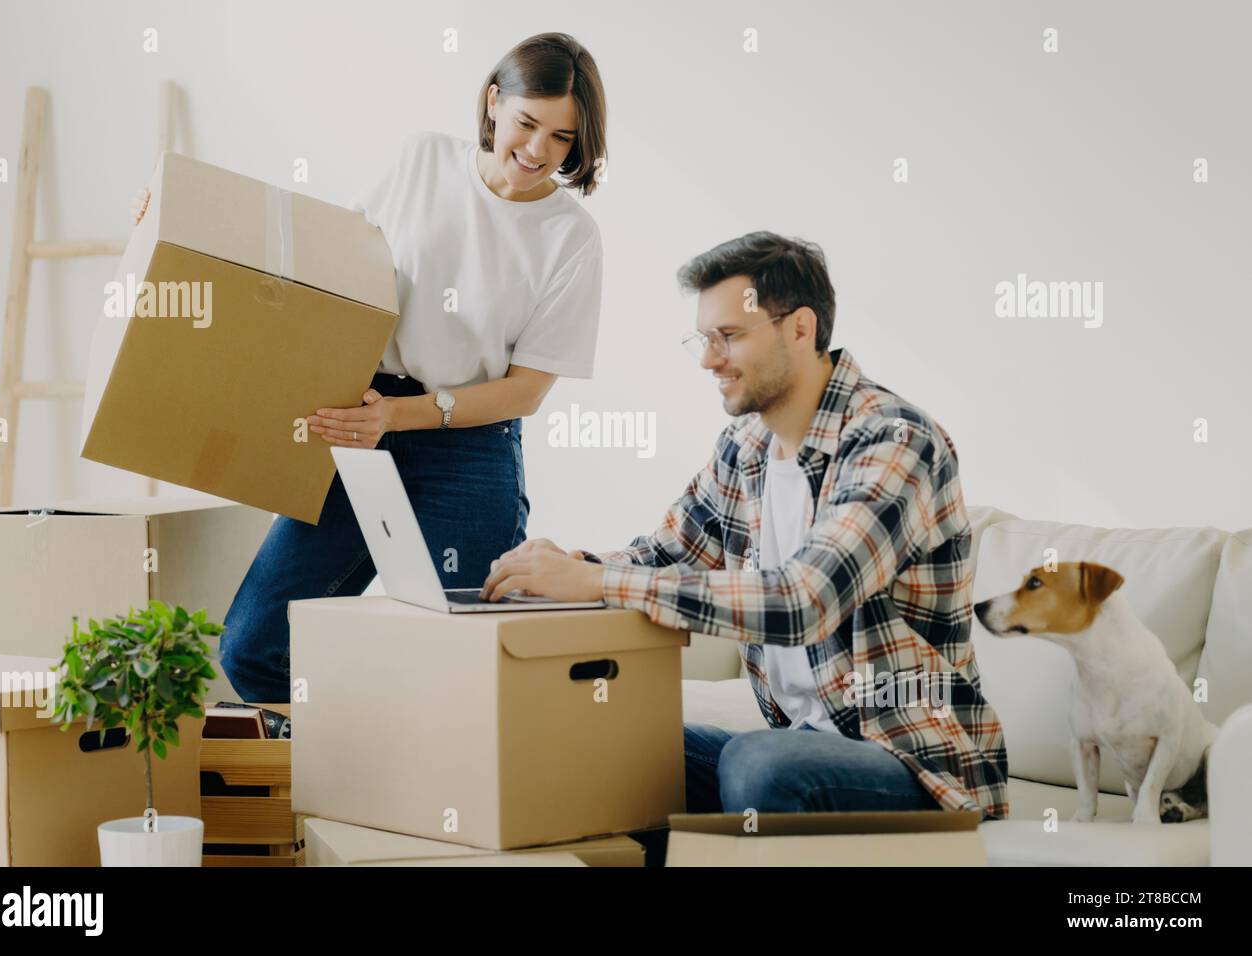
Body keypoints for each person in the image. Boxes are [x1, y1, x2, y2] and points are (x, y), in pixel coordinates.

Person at [129, 33, 609, 704]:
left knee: (465, 662)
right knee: (254, 647)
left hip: (467, 444)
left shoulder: (570, 238)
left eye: (562, 138)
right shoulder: (422, 161)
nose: (537, 152)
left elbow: (525, 392)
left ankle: (427, 783)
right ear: (495, 102)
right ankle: (362, 753)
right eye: (528, 124)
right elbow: (318, 260)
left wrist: (402, 416)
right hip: (360, 418)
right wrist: (174, 223)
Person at [481, 231, 1009, 819]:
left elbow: (803, 601)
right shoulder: (747, 446)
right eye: (703, 340)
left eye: (728, 337)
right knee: (605, 742)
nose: (709, 360)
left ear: (800, 329)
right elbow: (665, 554)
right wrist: (570, 569)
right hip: (801, 748)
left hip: (916, 764)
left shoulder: (892, 439)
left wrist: (599, 585)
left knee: (759, 765)